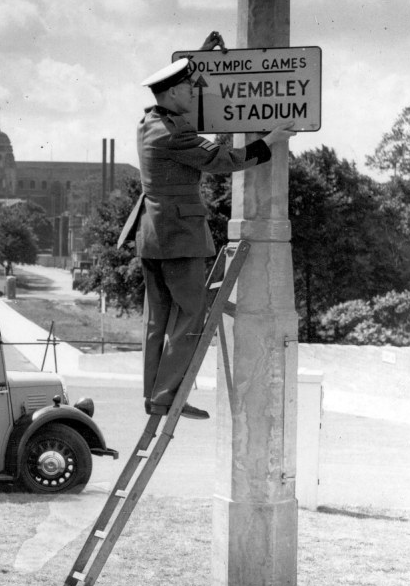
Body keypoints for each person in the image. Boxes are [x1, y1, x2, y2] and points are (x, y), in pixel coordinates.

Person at [118, 30, 297, 421]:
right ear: (171, 94)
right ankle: (167, 396)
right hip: (178, 237)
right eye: (187, 88)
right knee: (191, 315)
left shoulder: (148, 122)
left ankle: (154, 397)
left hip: (151, 236)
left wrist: (198, 56)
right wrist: (270, 140)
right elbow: (223, 160)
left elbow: (174, 86)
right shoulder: (175, 134)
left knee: (157, 321)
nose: (194, 91)